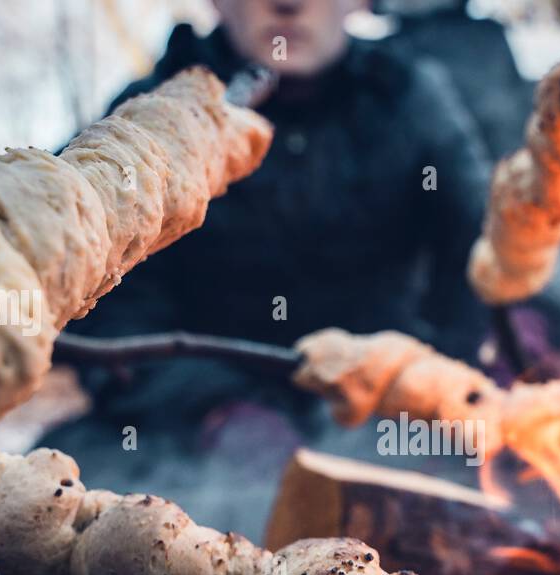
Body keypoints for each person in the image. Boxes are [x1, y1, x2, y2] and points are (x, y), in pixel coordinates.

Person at [70, 0, 495, 430]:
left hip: (383, 416)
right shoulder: (145, 119)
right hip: (185, 423)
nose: (288, 5)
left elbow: (482, 240)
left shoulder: (409, 99)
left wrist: (473, 358)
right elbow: (113, 312)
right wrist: (217, 413)